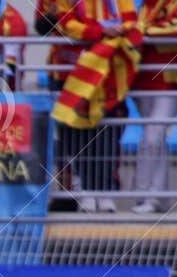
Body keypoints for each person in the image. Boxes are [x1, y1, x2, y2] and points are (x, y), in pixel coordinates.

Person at [47, 0, 141, 212]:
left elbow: (131, 22)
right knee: (75, 135)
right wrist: (101, 30)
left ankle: (105, 192)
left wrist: (113, 31)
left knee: (107, 135)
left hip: (108, 75)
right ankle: (85, 191)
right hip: (71, 74)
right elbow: (66, 24)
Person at [128, 0, 177, 212]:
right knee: (157, 139)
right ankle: (157, 198)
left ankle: (145, 194)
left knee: (153, 135)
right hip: (143, 80)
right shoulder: (145, 6)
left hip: (170, 81)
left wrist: (142, 31)